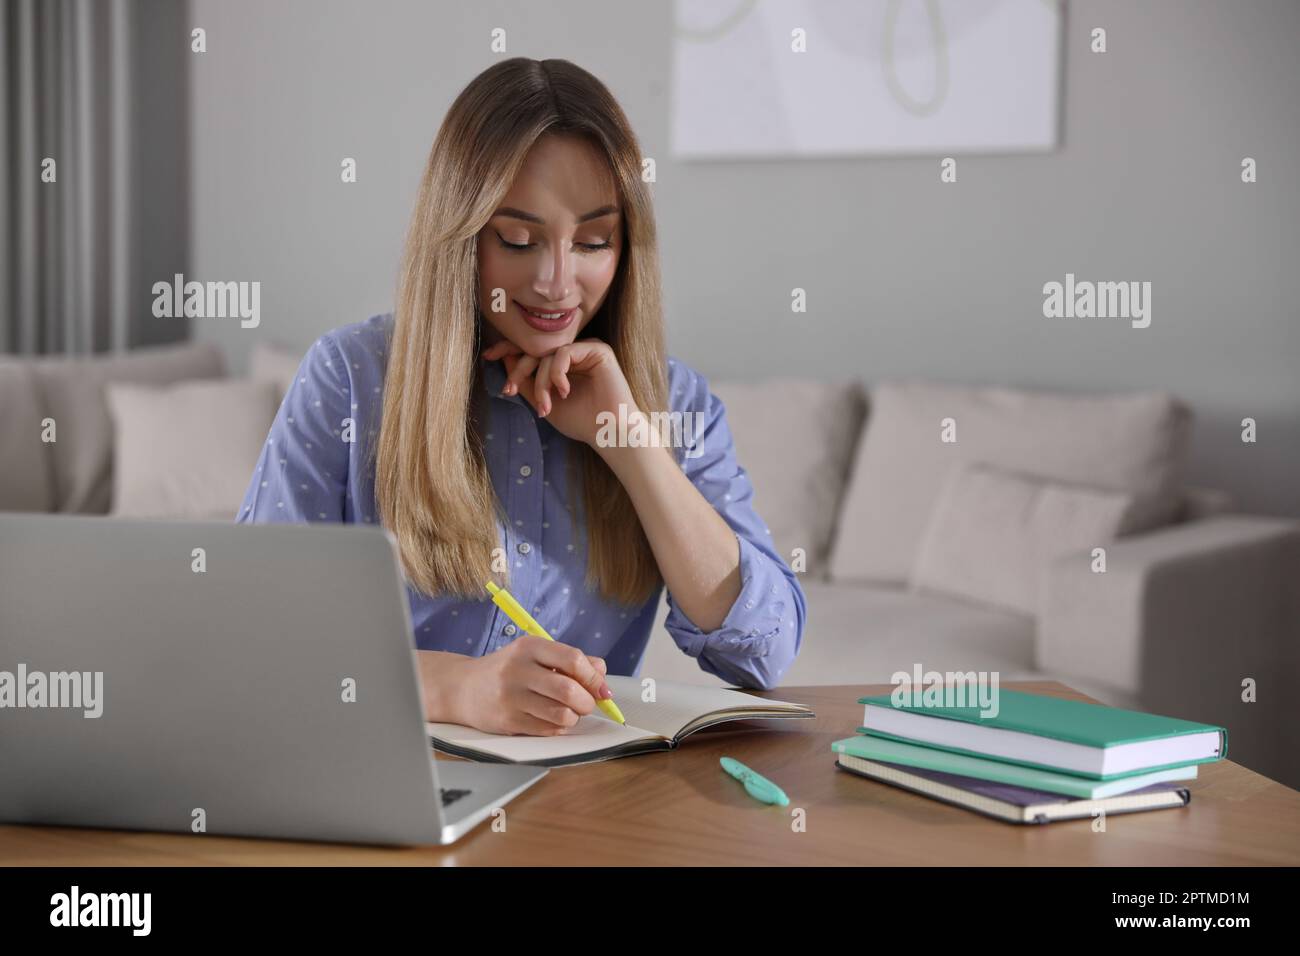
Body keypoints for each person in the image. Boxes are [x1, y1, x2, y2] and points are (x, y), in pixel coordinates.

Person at [237, 58, 805, 736]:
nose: (557, 281)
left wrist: (630, 446)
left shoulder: (673, 402)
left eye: (594, 241)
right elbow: (253, 638)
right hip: (395, 793)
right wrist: (455, 689)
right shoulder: (352, 380)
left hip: (584, 804)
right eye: (517, 239)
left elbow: (765, 652)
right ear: (461, 234)